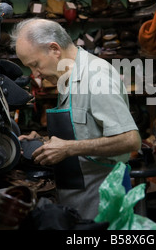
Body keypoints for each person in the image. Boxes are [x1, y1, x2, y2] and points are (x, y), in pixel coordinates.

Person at [9, 18, 141, 219]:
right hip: (78, 192)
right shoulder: (67, 76)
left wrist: (68, 148)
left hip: (101, 196)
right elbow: (86, 130)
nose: (35, 74)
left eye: (35, 65)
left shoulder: (96, 77)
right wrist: (45, 141)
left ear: (54, 49)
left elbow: (130, 140)